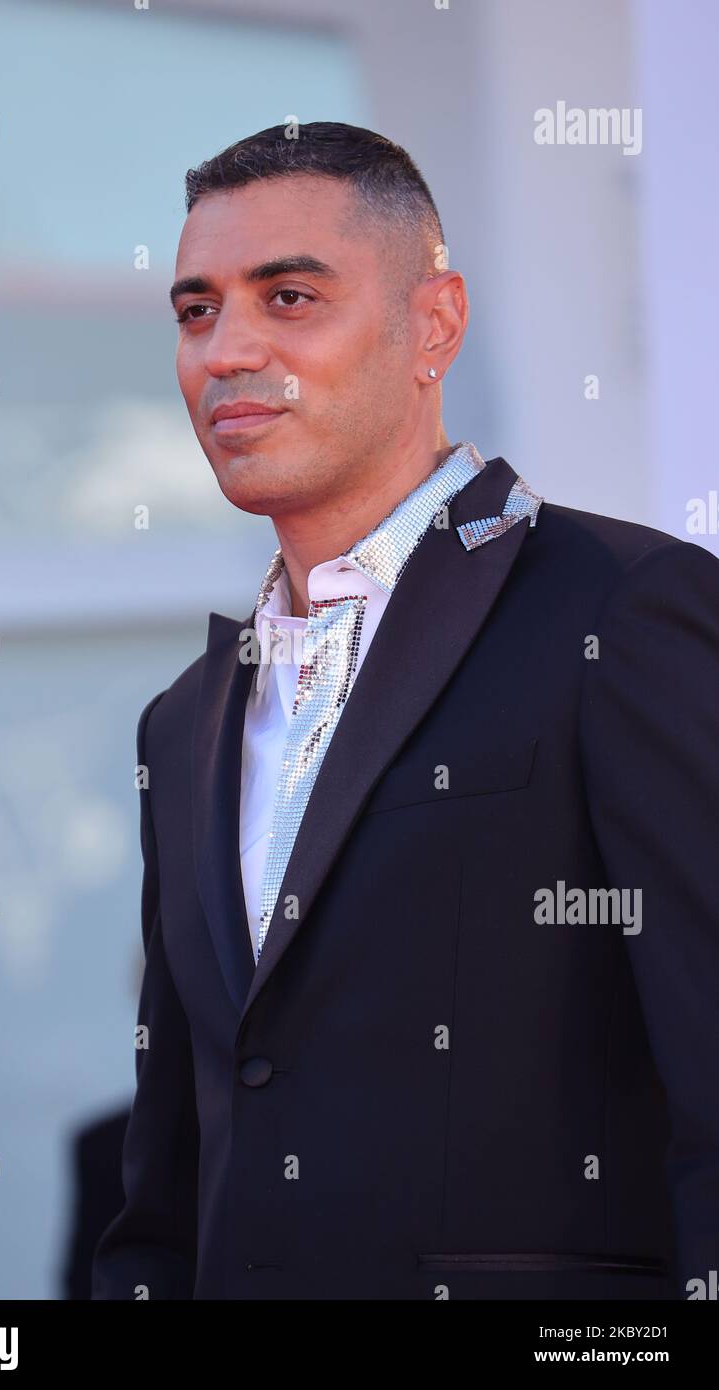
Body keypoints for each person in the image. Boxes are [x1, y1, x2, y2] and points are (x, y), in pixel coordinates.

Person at [91, 122, 719, 1301]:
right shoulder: (180, 726)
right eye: (195, 311)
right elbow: (168, 1187)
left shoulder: (626, 614)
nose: (230, 350)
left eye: (288, 296)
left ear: (434, 321)